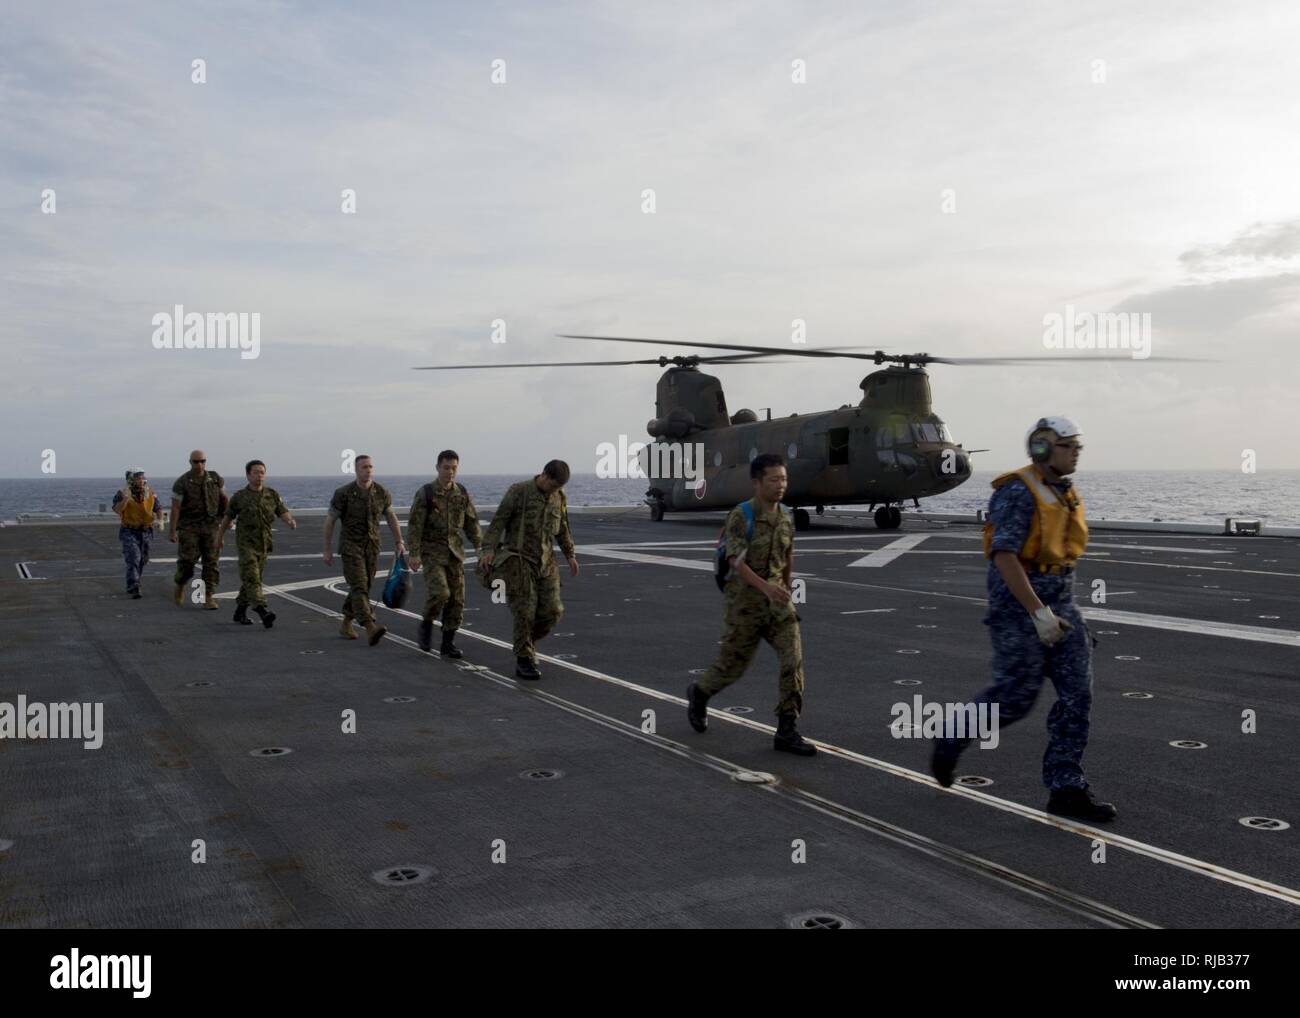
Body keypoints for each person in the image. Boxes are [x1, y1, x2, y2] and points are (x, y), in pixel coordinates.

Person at [931, 416, 1115, 823]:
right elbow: (1004, 556)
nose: (1076, 453)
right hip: (1019, 604)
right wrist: (1038, 614)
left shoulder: (1063, 491)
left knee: (1077, 697)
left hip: (1061, 601)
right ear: (1043, 448)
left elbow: (1060, 557)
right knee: (1016, 697)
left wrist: (1066, 615)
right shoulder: (1018, 491)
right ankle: (952, 736)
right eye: (1068, 446)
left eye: (1077, 446)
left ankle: (1066, 788)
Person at [687, 453, 816, 756]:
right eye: (774, 479)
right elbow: (735, 560)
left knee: (792, 660)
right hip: (744, 603)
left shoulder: (786, 515)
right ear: (757, 482)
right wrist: (766, 588)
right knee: (732, 667)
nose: (780, 485)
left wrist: (785, 587)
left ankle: (787, 729)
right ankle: (700, 693)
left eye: (783, 479)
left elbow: (788, 555)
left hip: (777, 605)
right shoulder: (741, 515)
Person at [480, 460, 578, 680]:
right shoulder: (519, 491)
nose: (555, 490)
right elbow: (499, 522)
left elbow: (562, 528)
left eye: (559, 488)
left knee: (553, 611)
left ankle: (526, 644)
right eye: (553, 485)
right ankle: (524, 660)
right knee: (525, 612)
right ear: (544, 475)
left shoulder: (558, 497)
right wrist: (487, 549)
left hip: (546, 563)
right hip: (519, 561)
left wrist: (570, 555)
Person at [407, 450, 482, 657]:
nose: (450, 472)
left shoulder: (462, 493)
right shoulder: (426, 493)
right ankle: (427, 623)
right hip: (432, 552)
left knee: (457, 601)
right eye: (446, 467)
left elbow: (471, 523)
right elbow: (415, 526)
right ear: (438, 468)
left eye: (454, 468)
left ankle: (448, 643)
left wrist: (480, 546)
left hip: (455, 554)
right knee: (441, 593)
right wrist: (414, 553)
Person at [324, 455, 404, 644]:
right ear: (356, 470)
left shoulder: (381, 492)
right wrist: (327, 549)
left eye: (370, 467)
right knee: (359, 585)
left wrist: (399, 541)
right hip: (351, 546)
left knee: (363, 587)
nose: (368, 470)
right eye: (363, 467)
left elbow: (391, 517)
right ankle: (370, 626)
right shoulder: (343, 493)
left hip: (372, 547)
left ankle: (345, 624)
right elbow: (330, 521)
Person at [219, 460, 297, 628]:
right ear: (248, 475)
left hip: (264, 544)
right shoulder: (240, 497)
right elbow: (228, 518)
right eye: (255, 472)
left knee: (252, 579)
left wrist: (289, 521)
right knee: (253, 578)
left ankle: (240, 612)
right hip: (246, 544)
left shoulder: (271, 494)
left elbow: (281, 511)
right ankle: (263, 611)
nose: (259, 475)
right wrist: (219, 538)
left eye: (262, 472)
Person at [169, 450, 227, 609]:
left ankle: (208, 597)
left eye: (202, 461)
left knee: (211, 563)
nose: (199, 464)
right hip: (189, 527)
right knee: (187, 562)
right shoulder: (182, 482)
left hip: (211, 526)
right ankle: (180, 583)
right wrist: (172, 531)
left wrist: (226, 521)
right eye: (196, 462)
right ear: (190, 462)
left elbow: (224, 499)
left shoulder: (215, 478)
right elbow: (175, 508)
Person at [113, 469, 164, 598]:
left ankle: (135, 580)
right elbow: (117, 510)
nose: (141, 480)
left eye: (142, 477)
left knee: (142, 559)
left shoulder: (149, 492)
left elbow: (157, 507)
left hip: (146, 531)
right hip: (129, 530)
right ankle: (133, 585)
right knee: (133, 557)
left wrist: (160, 520)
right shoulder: (122, 493)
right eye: (138, 478)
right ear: (131, 480)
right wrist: (125, 499)